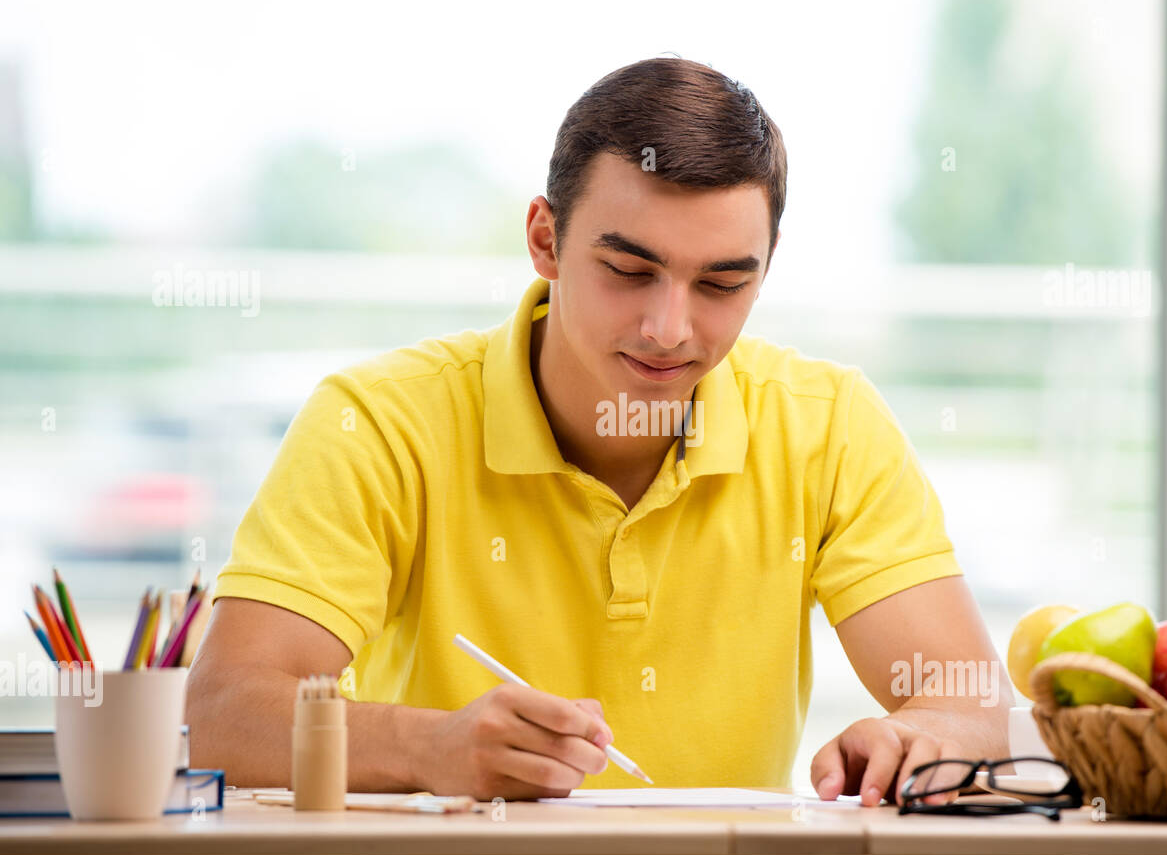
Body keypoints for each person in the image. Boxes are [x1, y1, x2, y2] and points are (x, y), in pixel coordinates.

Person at [187, 55, 1011, 805]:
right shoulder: (378, 423)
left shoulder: (828, 426)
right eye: (628, 270)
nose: (667, 328)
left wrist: (917, 739)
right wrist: (426, 745)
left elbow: (973, 703)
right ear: (545, 239)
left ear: (768, 267)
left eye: (722, 282)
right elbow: (223, 714)